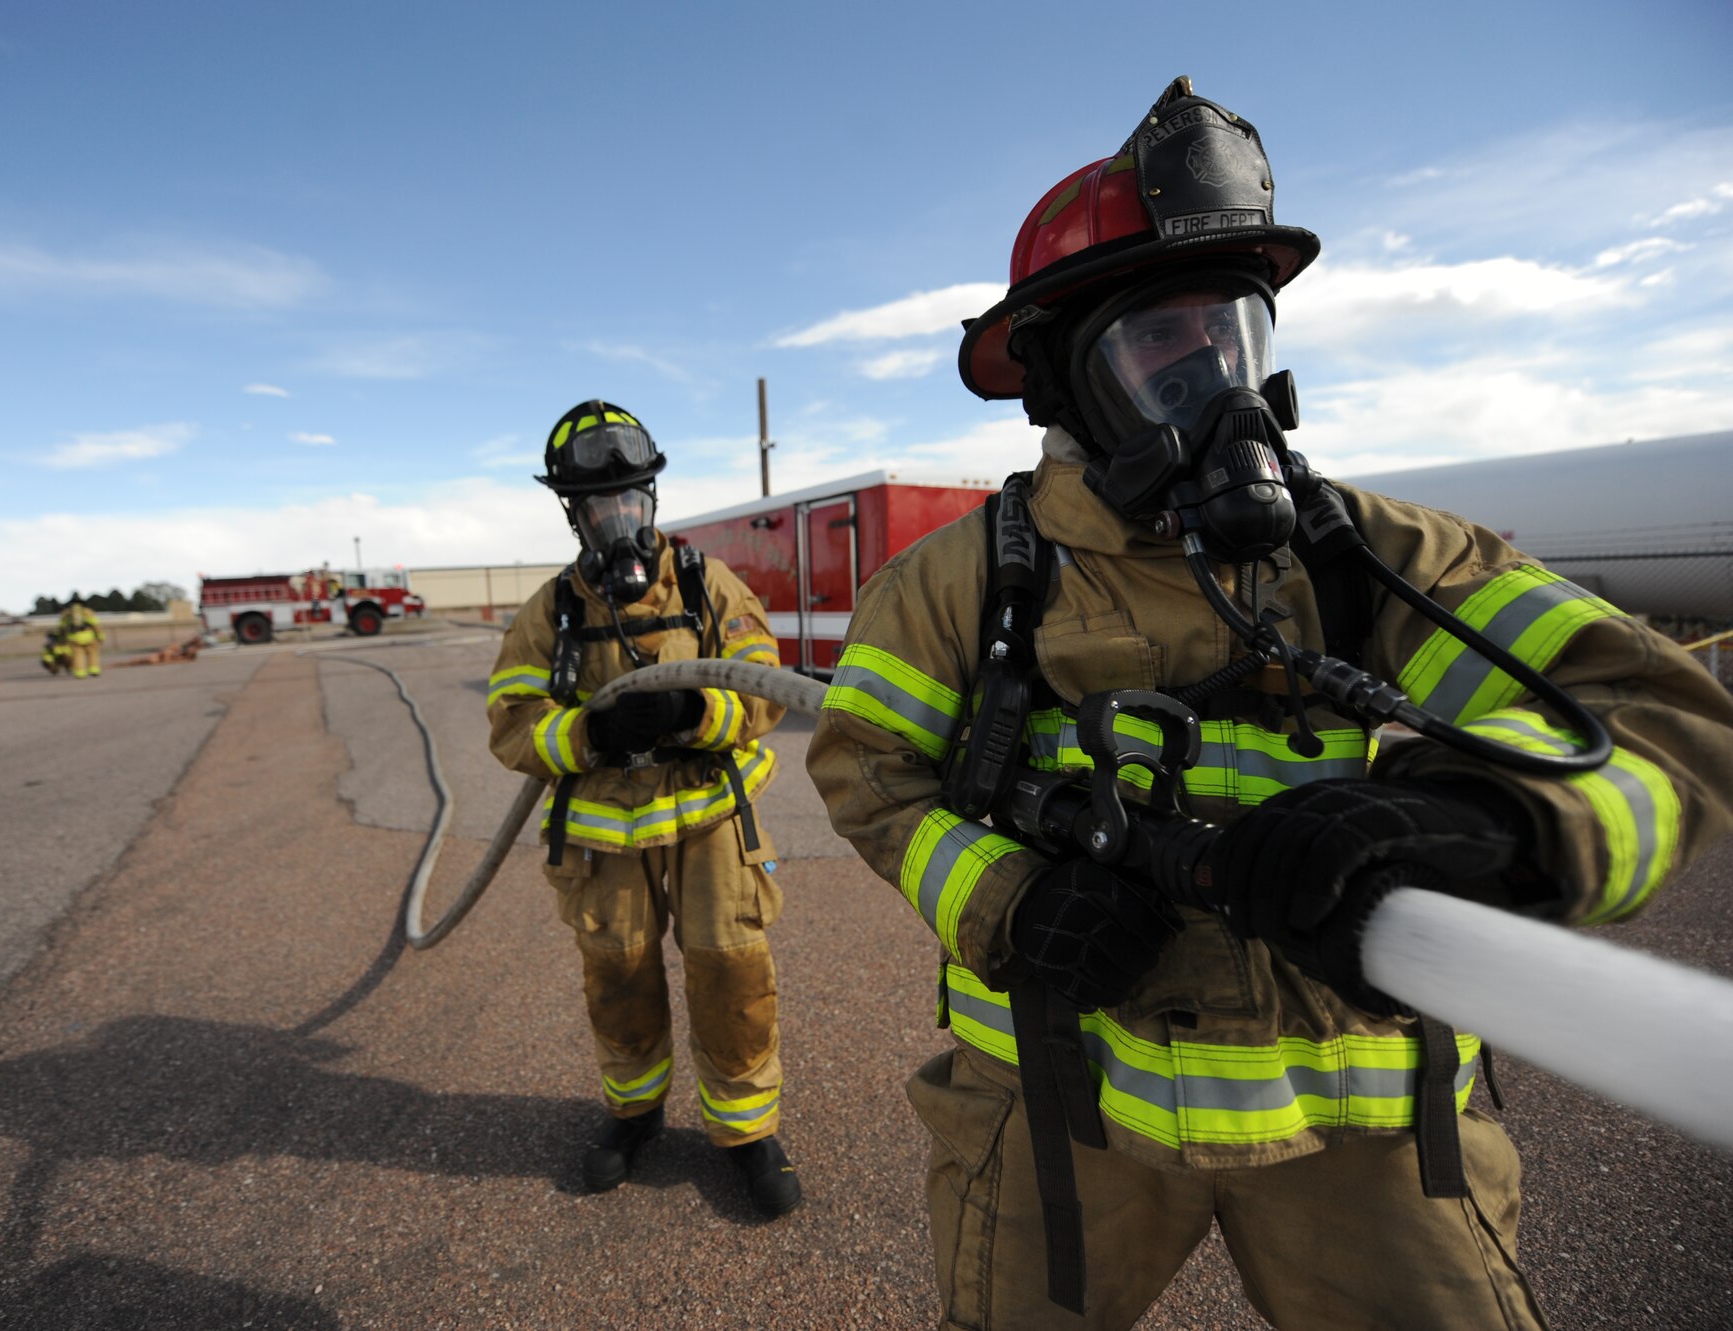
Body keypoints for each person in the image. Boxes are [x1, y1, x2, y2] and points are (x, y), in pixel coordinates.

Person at [805, 77, 1733, 1330]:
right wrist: (1008, 900)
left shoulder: (1377, 551)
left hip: (1362, 1128)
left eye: (1229, 338)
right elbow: (866, 770)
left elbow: (1659, 716)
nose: (1213, 386)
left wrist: (1495, 822)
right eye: (1158, 349)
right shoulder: (954, 582)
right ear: (1069, 385)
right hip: (1061, 1097)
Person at [486, 400, 803, 1218]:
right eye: (600, 507)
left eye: (630, 501)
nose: (618, 520)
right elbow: (511, 726)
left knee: (732, 967)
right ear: (575, 512)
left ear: (651, 500)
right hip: (603, 840)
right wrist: (587, 731)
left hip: (709, 821)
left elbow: (768, 691)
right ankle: (634, 1116)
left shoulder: (707, 586)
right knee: (619, 973)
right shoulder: (551, 612)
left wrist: (697, 717)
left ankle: (747, 1132)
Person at [58, 593, 105, 678]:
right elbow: (96, 625)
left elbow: (62, 627)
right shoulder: (87, 612)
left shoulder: (66, 614)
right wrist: (100, 636)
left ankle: (80, 673)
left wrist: (62, 638)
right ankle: (94, 670)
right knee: (93, 653)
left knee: (78, 655)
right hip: (88, 636)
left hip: (74, 637)